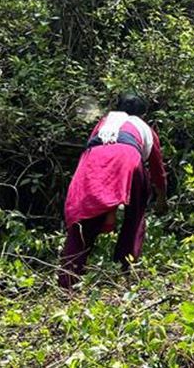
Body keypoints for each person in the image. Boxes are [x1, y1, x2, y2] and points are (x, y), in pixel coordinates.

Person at [59, 93, 168, 288]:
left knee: (83, 221)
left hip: (93, 162)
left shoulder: (104, 122)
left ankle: (68, 279)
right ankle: (126, 270)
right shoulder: (146, 129)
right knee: (135, 217)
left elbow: (96, 147)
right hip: (128, 160)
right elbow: (157, 170)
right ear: (142, 114)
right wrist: (161, 198)